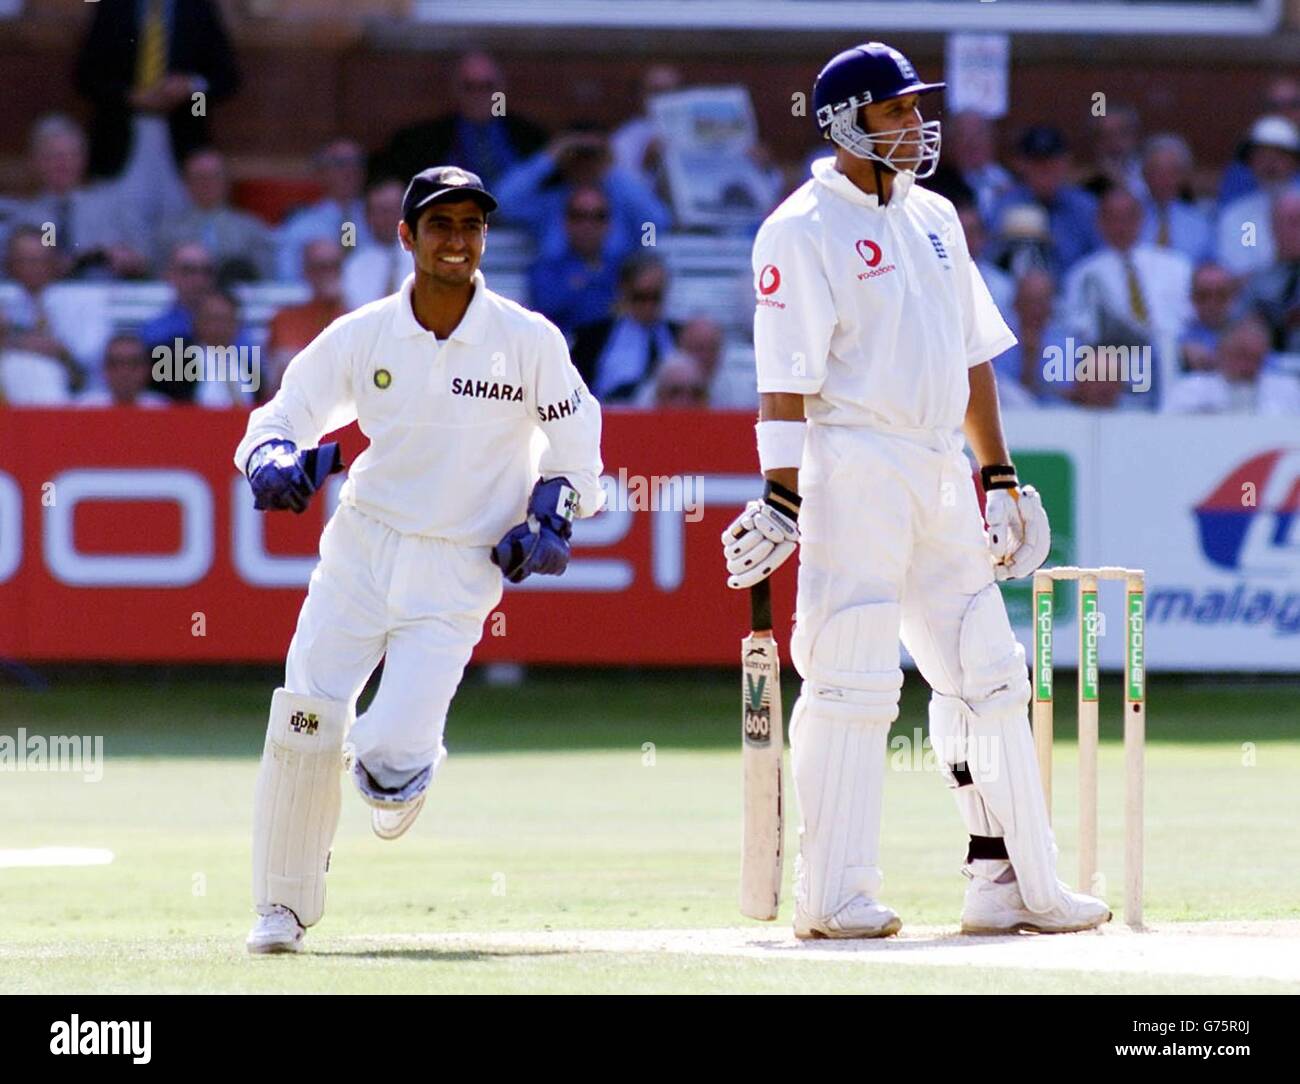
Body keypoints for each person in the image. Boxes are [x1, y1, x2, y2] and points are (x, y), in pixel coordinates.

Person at [724, 42, 1108, 940]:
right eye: (894, 111)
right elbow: (783, 378)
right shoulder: (799, 227)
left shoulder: (938, 216)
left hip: (938, 467)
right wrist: (780, 495)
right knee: (853, 675)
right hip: (851, 463)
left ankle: (1010, 882)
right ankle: (833, 893)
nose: (913, 124)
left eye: (913, 108)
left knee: (991, 671)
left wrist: (1000, 475)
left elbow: (972, 354)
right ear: (844, 123)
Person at [236, 166, 603, 954]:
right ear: (407, 237)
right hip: (362, 550)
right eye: (440, 226)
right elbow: (283, 414)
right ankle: (281, 909)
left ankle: (397, 770)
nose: (457, 241)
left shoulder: (527, 340)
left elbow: (580, 462)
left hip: (458, 567)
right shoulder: (365, 333)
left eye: (471, 226)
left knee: (386, 754)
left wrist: (550, 520)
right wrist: (269, 460)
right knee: (305, 716)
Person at [1062, 186, 1193, 407]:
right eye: (1113, 218)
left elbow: (1189, 319)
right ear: (1099, 223)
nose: (1120, 227)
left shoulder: (1176, 266)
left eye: (1128, 218)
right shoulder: (1082, 274)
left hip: (1174, 363)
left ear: (1141, 220)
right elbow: (1083, 331)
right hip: (1116, 370)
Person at [375, 52, 548, 191]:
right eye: (470, 87)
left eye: (486, 87)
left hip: (519, 229)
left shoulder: (527, 135)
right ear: (456, 91)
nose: (479, 96)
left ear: (500, 90)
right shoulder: (425, 139)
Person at [3, 225, 112, 394]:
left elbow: (93, 358)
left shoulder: (86, 301)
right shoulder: (5, 303)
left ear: (55, 262)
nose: (30, 268)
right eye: (22, 260)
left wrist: (60, 351)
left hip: (79, 392)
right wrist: (20, 343)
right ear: (9, 265)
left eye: (37, 260)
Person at [569, 252, 678, 403]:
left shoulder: (679, 336)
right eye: (640, 297)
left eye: (655, 297)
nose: (648, 306)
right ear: (624, 291)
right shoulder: (592, 338)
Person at [155, 148, 276, 280]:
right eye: (199, 177)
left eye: (214, 176)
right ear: (186, 183)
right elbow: (160, 278)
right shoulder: (166, 231)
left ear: (227, 182)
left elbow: (264, 278)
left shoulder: (251, 229)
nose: (206, 184)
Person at [991, 126, 1099, 274]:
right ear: (1022, 165)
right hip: (1022, 290)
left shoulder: (1085, 206)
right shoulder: (1005, 206)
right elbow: (992, 261)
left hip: (1078, 288)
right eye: (1037, 164)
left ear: (1065, 163)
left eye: (1052, 163)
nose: (1045, 171)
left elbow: (1101, 256)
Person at [528, 185, 620, 338]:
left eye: (598, 216)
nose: (588, 225)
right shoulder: (546, 269)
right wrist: (589, 275)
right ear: (565, 222)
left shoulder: (622, 268)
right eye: (579, 216)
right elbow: (547, 305)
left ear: (609, 223)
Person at [1215, 116, 1300, 277]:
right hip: (1258, 297)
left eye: (1279, 156)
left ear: (1294, 162)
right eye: (1262, 156)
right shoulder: (1241, 216)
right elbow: (1238, 265)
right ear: (1250, 162)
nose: (1271, 164)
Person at [276, 140, 370, 283]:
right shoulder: (300, 226)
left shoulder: (380, 218)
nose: (350, 171)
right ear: (321, 172)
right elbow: (287, 277)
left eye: (357, 163)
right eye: (340, 164)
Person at [1138, 134, 1213, 265]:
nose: (1164, 180)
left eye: (1173, 172)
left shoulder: (1202, 220)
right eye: (1157, 172)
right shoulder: (1127, 218)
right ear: (1144, 174)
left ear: (1184, 176)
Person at [342, 177, 407, 310]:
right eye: (381, 211)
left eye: (395, 209)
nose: (389, 217)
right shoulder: (355, 264)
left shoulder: (428, 258)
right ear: (368, 216)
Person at [75, 334, 171, 408]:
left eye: (134, 363)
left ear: (147, 369)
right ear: (104, 369)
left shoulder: (162, 408)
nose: (125, 372)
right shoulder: (85, 408)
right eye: (116, 364)